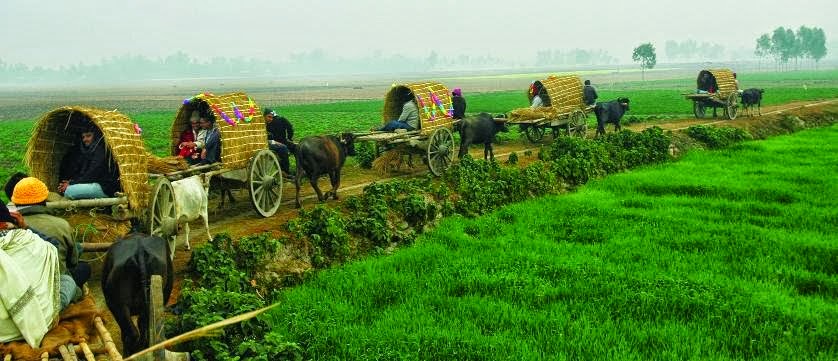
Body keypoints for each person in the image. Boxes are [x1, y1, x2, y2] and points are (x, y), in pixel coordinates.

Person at [0, 202, 80, 348]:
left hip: (2, 331)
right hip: (40, 320)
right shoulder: (28, 239)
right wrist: (25, 227)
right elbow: (54, 247)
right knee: (68, 281)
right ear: (7, 222)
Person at [12, 176, 90, 288]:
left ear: (15, 202)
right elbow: (72, 261)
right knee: (83, 268)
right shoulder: (61, 225)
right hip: (54, 283)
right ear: (45, 200)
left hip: (20, 284)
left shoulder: (9, 227)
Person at [58, 125, 120, 199]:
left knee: (68, 191)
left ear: (96, 136)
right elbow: (84, 174)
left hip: (106, 188)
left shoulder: (101, 150)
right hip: (97, 184)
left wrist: (71, 183)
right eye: (83, 137)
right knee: (68, 188)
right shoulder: (90, 152)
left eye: (88, 136)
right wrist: (71, 182)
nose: (85, 139)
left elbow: (92, 174)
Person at [264, 108, 296, 177]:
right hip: (270, 142)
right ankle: (286, 172)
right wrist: (289, 138)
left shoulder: (268, 123)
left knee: (293, 147)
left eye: (272, 117)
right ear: (264, 116)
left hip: (275, 141)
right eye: (269, 117)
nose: (271, 119)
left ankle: (296, 168)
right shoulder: (263, 124)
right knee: (284, 148)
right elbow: (290, 128)